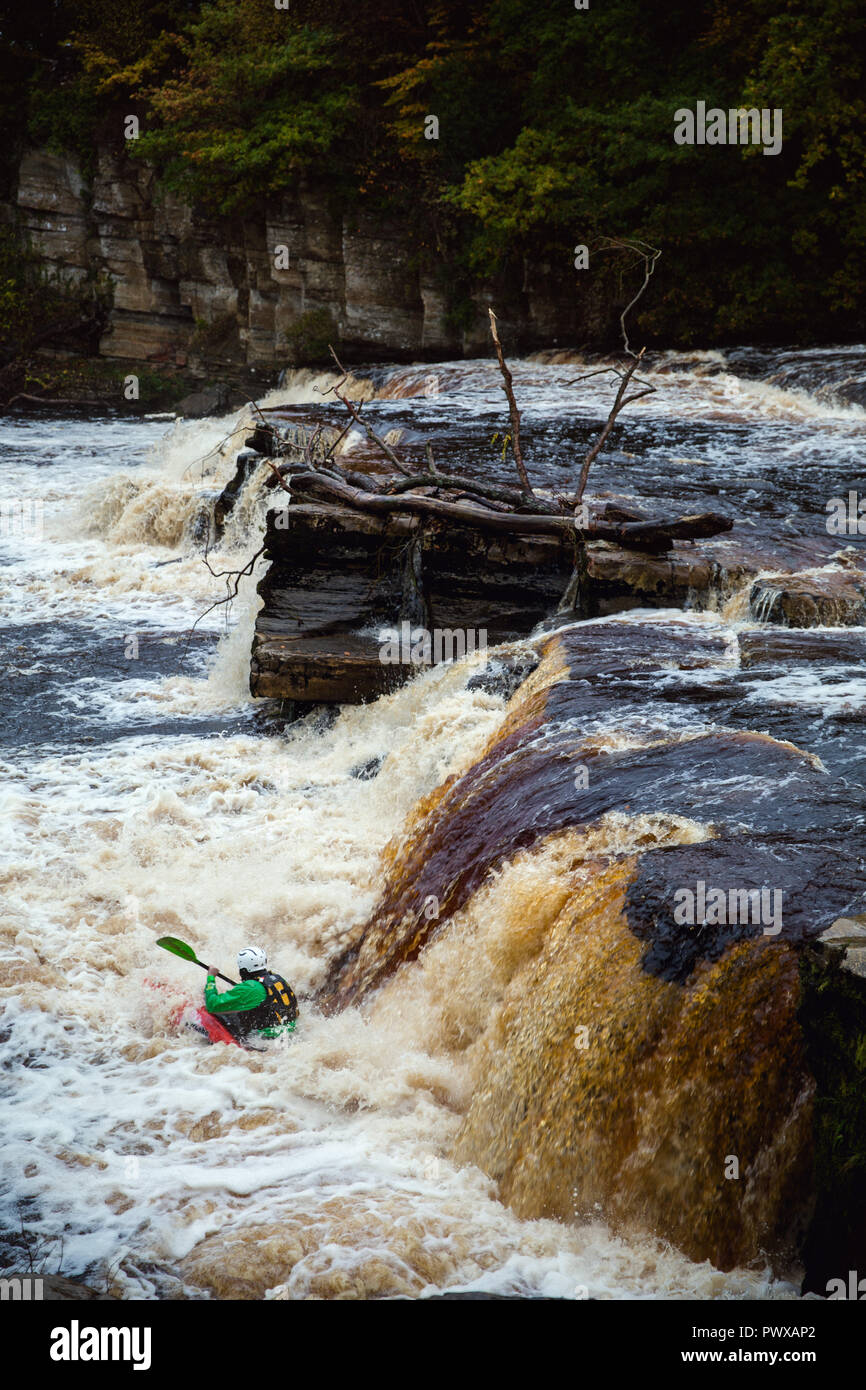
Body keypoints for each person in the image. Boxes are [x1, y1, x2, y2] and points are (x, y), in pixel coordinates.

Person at [203, 946, 298, 1042]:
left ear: (243, 970)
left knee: (218, 1013)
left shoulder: (250, 988)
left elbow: (212, 1005)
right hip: (290, 1031)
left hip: (266, 1039)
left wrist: (211, 977)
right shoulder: (276, 978)